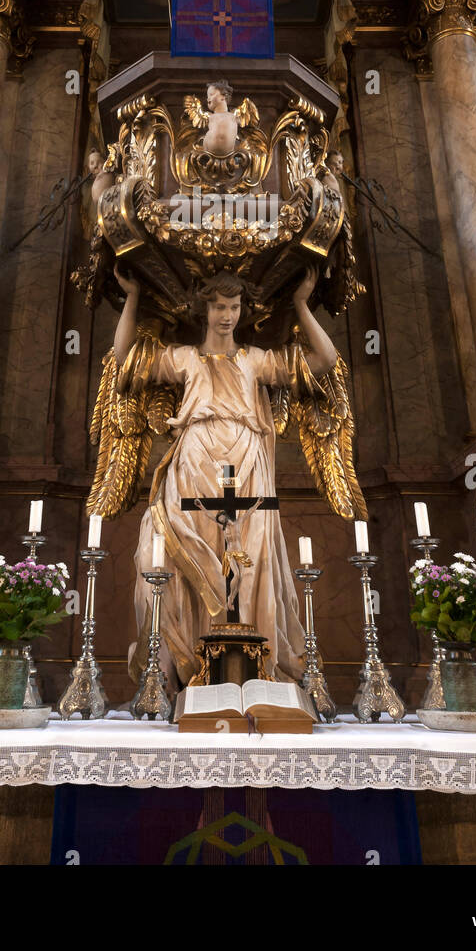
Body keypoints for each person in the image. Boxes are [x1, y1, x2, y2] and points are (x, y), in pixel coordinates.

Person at [113, 264, 337, 686]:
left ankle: (247, 668)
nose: (227, 315)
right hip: (195, 460)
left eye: (234, 306)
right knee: (182, 558)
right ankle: (191, 667)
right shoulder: (185, 358)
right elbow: (124, 358)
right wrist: (132, 298)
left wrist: (302, 304)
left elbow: (325, 360)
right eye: (218, 306)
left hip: (247, 462)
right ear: (205, 310)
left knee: (246, 563)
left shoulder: (255, 361)